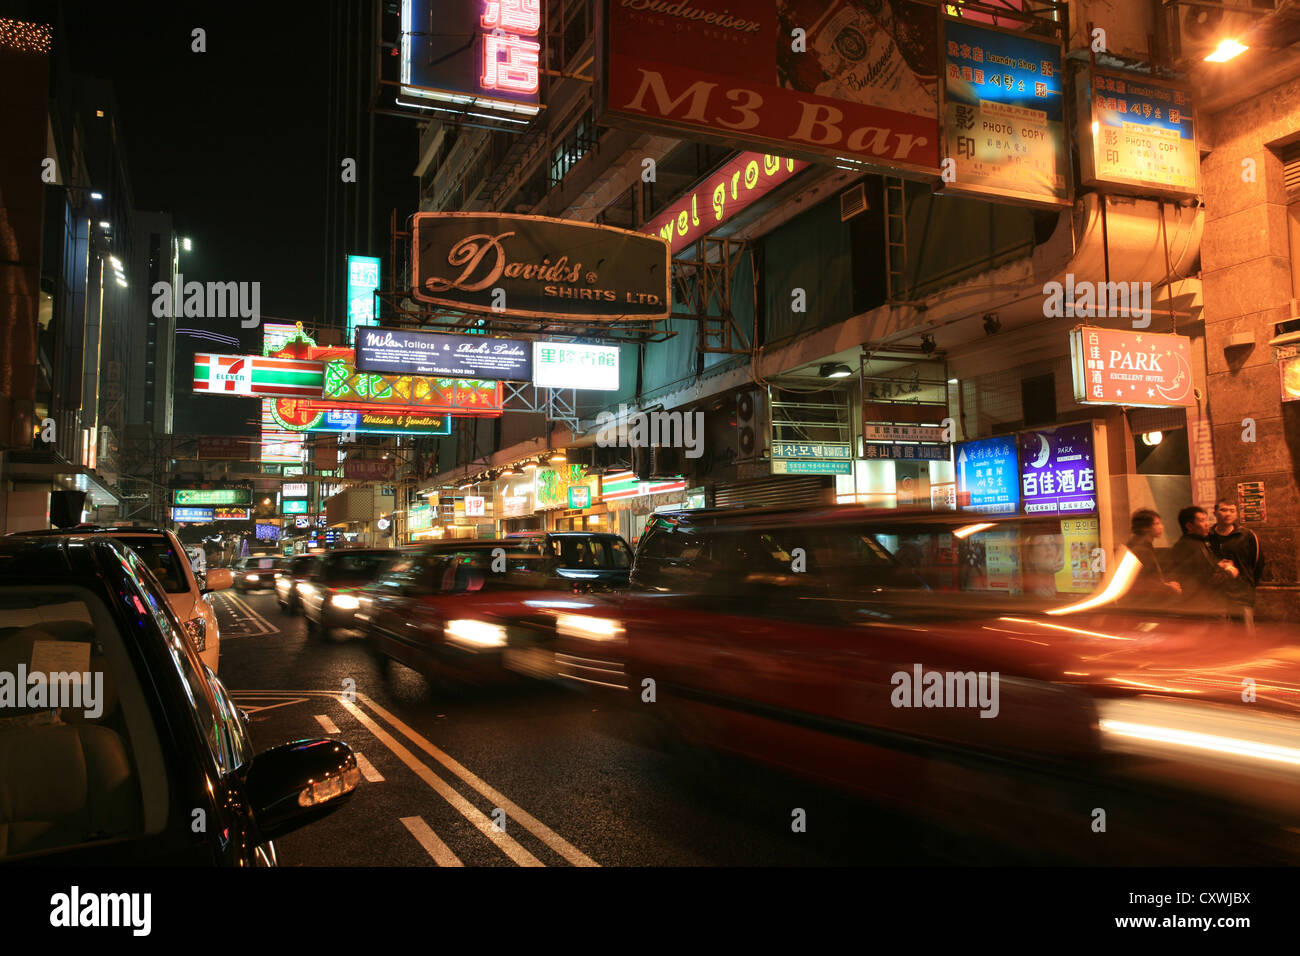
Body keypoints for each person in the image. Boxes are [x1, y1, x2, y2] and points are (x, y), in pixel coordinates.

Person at [1168, 505, 1236, 615]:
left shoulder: (1196, 543)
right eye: (1202, 520)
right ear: (1189, 526)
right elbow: (1207, 579)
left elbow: (1201, 570)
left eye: (1206, 520)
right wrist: (1230, 572)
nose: (1207, 524)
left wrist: (1217, 565)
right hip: (1204, 608)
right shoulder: (1191, 546)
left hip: (1202, 606)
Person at [1208, 498, 1264, 633]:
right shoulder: (1207, 536)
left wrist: (1247, 583)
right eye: (1223, 510)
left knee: (1245, 635)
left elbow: (1257, 563)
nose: (1228, 514)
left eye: (1232, 511)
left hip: (1241, 595)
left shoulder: (1247, 535)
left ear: (1237, 514)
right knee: (1219, 638)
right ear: (1215, 513)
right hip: (1215, 596)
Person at [1123, 508, 1180, 602]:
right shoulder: (1142, 550)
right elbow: (1147, 582)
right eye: (1157, 523)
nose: (1162, 527)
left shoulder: (1137, 545)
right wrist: (1169, 588)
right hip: (1143, 602)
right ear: (1145, 527)